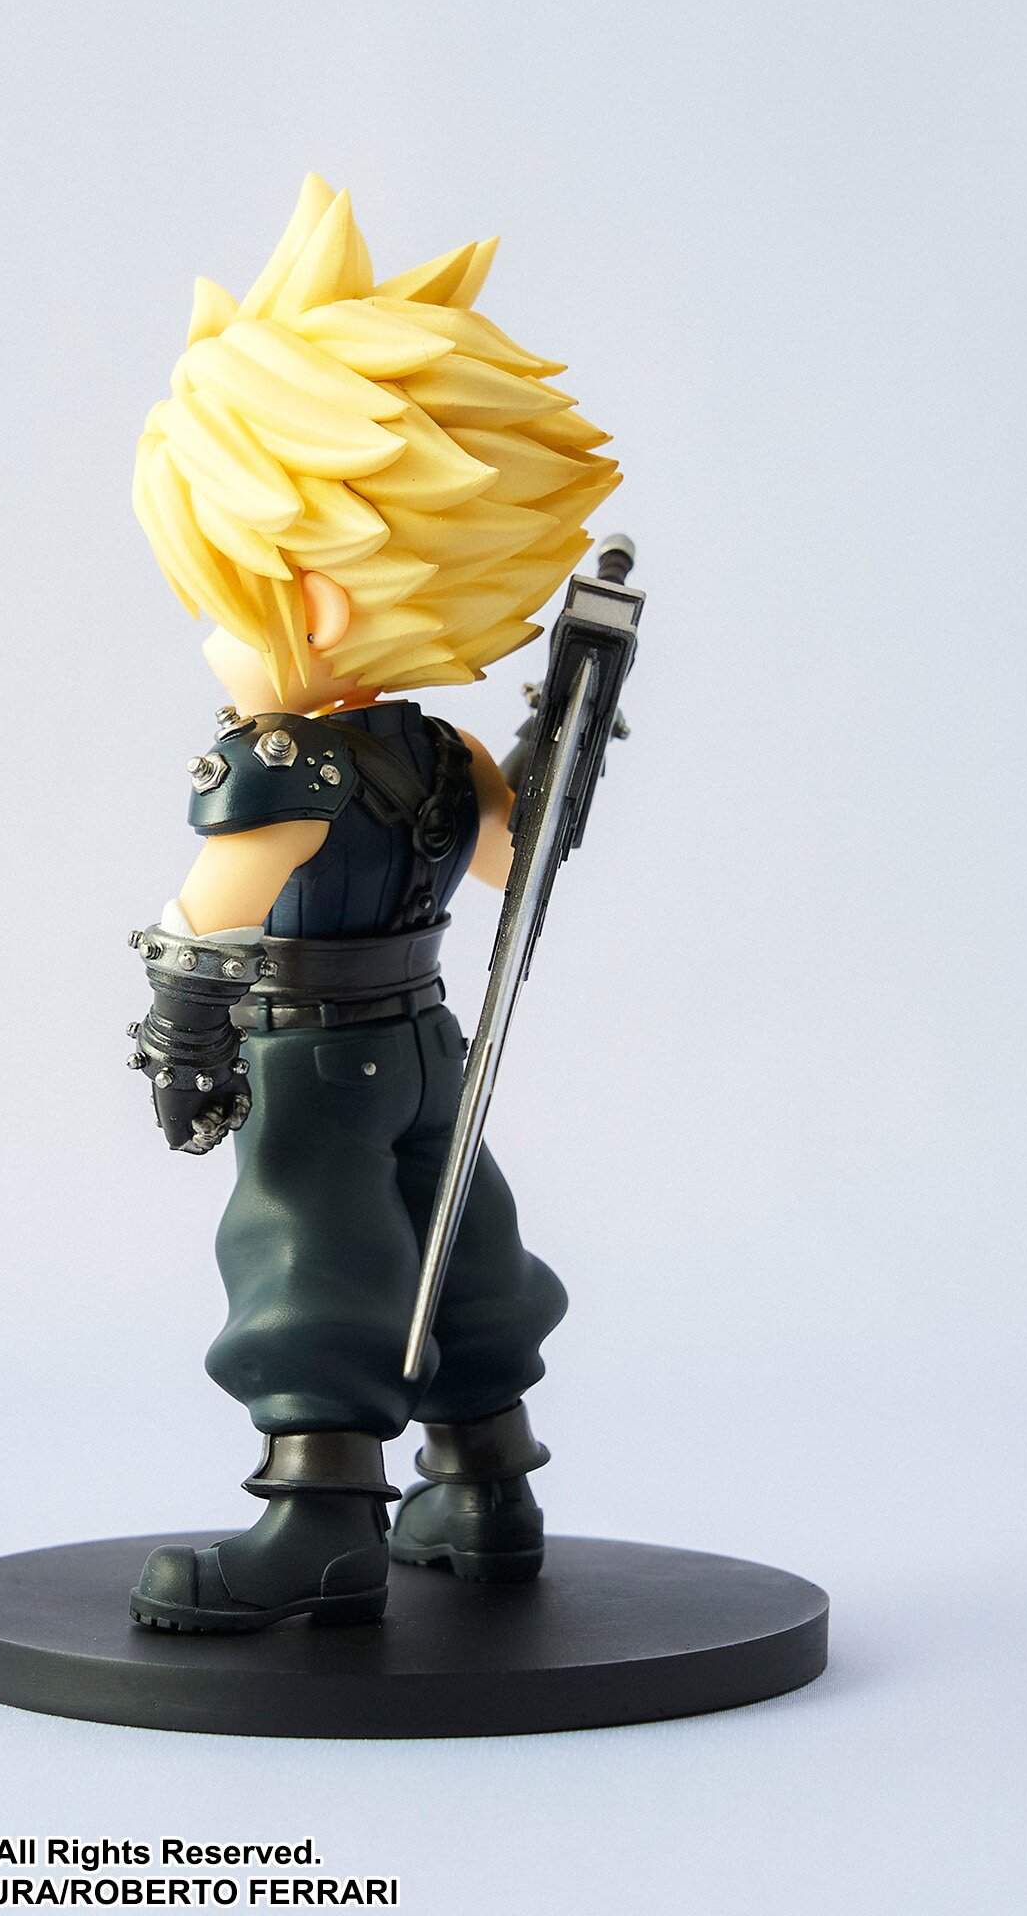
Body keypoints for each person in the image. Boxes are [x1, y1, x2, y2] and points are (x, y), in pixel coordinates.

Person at [122, 176, 620, 1633]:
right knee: (459, 1237)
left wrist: (181, 1045)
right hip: (425, 1042)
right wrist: (554, 756)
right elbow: (514, 861)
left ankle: (325, 1523)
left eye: (223, 594)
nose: (214, 634)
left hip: (312, 1054)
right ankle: (483, 1485)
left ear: (314, 595)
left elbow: (209, 922)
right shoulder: (438, 752)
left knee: (312, 1249)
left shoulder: (279, 768)